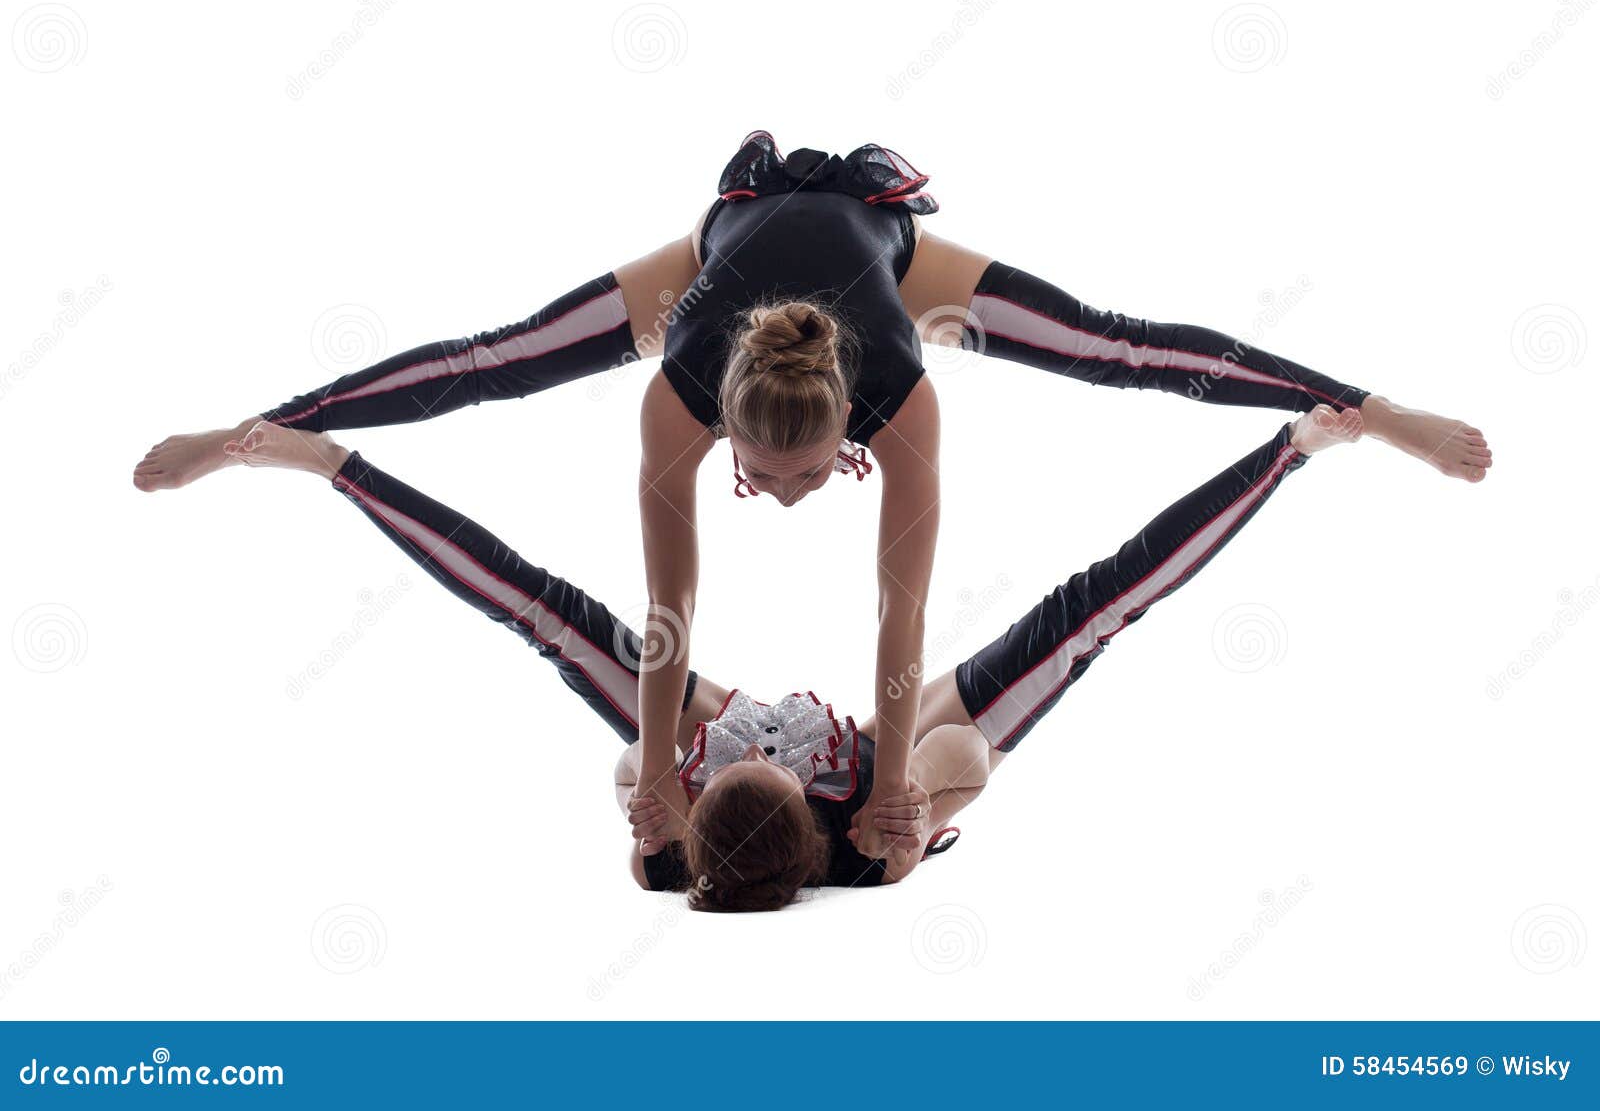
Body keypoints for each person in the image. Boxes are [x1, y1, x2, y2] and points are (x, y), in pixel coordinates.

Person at [132, 130, 1491, 861]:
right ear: (725, 424)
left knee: (1119, 350)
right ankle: (248, 435)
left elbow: (900, 627)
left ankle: (1373, 415)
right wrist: (669, 769)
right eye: (762, 479)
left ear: (850, 425)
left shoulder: (905, 396)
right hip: (726, 243)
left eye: (800, 479)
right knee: (495, 363)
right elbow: (667, 613)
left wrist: (892, 784)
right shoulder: (676, 392)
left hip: (878, 249)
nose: (779, 502)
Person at [217, 399, 1362, 911]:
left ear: (717, 774)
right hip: (884, 752)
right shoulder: (864, 841)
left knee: (543, 612)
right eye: (767, 759)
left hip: (698, 736)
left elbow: (627, 783)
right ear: (812, 815)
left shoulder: (678, 829)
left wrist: (645, 784)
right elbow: (958, 745)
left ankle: (337, 467)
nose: (767, 745)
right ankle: (1292, 450)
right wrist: (917, 796)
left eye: (737, 760)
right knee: (1092, 613)